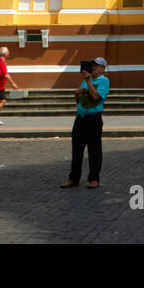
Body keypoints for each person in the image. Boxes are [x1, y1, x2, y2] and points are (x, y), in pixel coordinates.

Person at [61, 57, 110, 189]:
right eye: (93, 65)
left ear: (103, 68)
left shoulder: (104, 81)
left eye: (97, 65)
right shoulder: (85, 80)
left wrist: (88, 81)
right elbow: (79, 101)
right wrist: (76, 94)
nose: (93, 67)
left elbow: (96, 98)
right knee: (77, 149)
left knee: (94, 149)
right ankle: (73, 178)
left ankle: (94, 178)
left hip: (93, 118)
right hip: (81, 117)